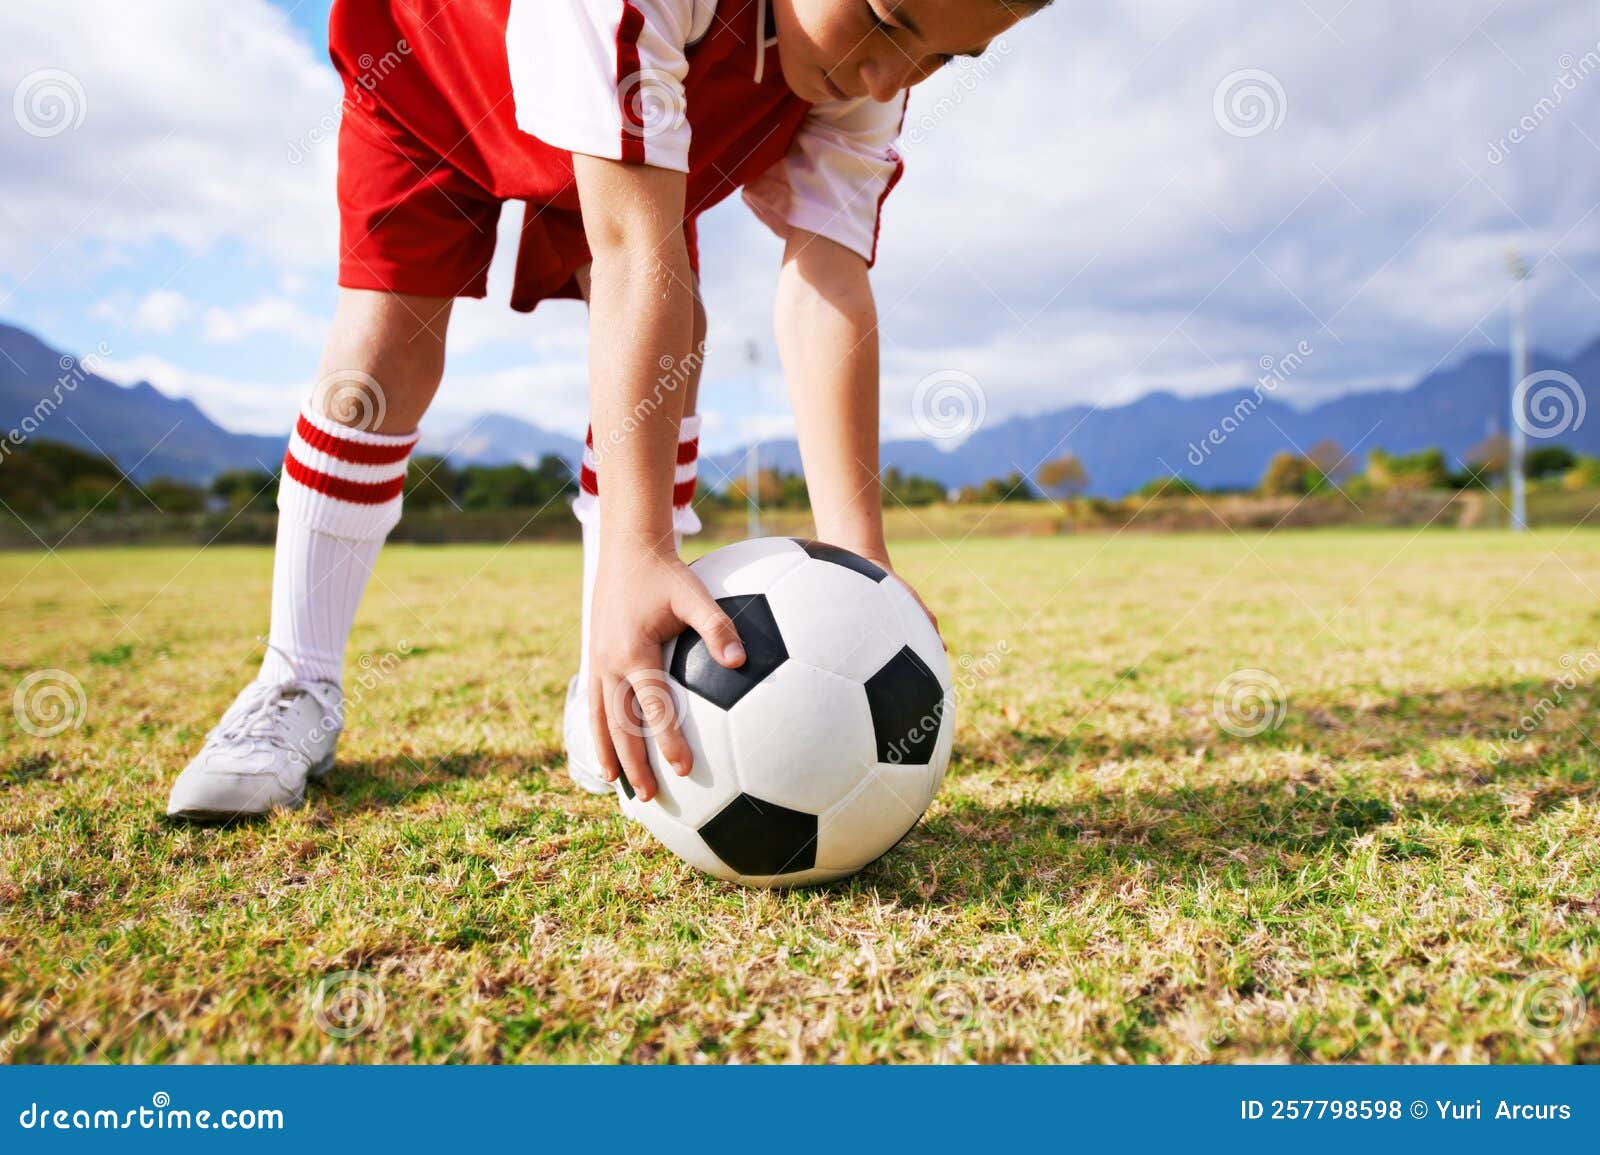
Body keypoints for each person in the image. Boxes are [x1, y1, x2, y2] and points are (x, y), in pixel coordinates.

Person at [166, 0, 1044, 819]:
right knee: (381, 348)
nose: (889, 79)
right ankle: (295, 679)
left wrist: (865, 564)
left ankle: (610, 680)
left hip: (633, 122)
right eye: (888, 23)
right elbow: (631, 251)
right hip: (437, 70)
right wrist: (640, 551)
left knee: (681, 331)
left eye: (944, 56)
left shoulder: (866, 67)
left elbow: (827, 282)